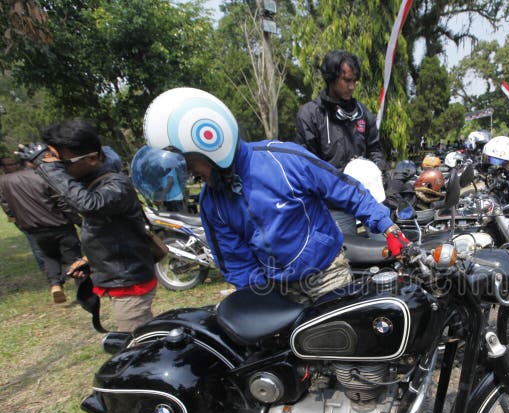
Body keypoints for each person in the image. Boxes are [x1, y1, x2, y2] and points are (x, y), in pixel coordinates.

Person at [143, 87, 409, 303]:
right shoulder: (212, 204)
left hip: (327, 274)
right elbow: (236, 262)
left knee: (342, 345)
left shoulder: (283, 160)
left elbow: (345, 190)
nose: (191, 173)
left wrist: (387, 226)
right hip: (278, 288)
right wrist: (263, 299)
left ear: (211, 146)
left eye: (190, 164)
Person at [27, 120, 158, 332]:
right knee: (141, 337)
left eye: (63, 164)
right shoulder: (91, 183)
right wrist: (91, 261)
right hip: (119, 276)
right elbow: (111, 232)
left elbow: (89, 205)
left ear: (92, 158)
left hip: (130, 281)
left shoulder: (117, 185)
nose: (61, 170)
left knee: (138, 342)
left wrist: (49, 169)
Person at [295, 50, 386, 234]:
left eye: (355, 81)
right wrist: (338, 182)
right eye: (347, 80)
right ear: (331, 78)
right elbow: (305, 167)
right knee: (344, 250)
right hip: (334, 205)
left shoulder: (362, 113)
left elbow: (375, 149)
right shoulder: (310, 115)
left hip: (368, 199)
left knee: (384, 245)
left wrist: (374, 169)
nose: (352, 87)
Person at [0, 152, 82, 303]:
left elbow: (7, 206)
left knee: (49, 256)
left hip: (34, 228)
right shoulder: (43, 176)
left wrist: (20, 222)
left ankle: (55, 285)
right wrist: (78, 221)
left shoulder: (4, 181)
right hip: (59, 224)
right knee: (74, 258)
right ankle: (83, 290)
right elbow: (61, 202)